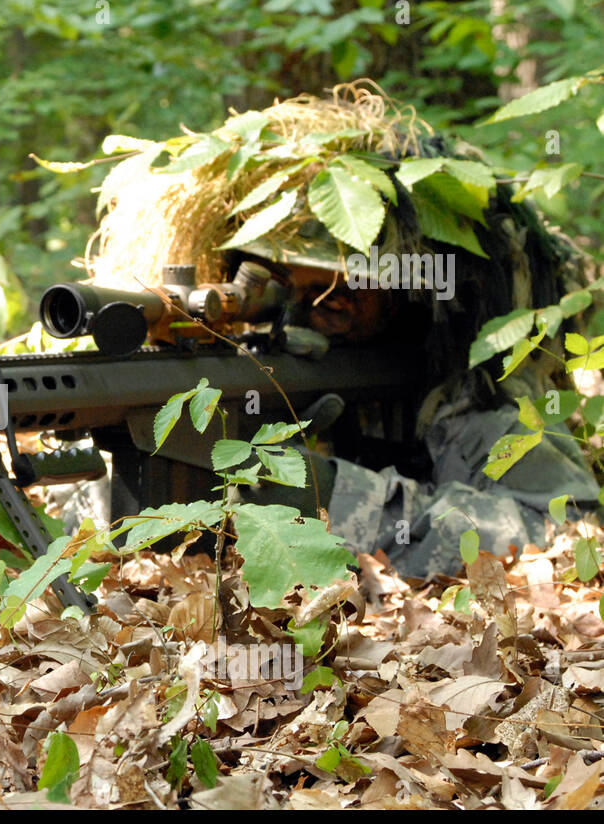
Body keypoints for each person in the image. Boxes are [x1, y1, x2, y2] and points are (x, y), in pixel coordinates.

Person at [61, 84, 601, 578]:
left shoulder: (465, 406)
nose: (322, 298)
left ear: (410, 287)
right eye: (293, 277)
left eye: (350, 280)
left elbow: (574, 533)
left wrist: (330, 494)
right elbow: (84, 531)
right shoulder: (252, 366)